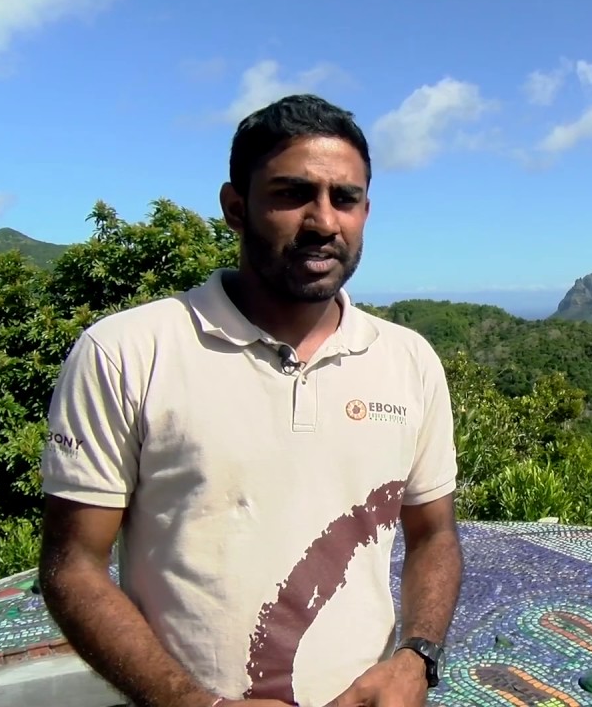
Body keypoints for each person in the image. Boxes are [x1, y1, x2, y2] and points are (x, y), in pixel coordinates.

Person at [36, 94, 463, 707]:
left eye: (344, 199)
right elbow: (73, 565)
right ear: (236, 208)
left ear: (366, 210)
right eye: (292, 194)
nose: (323, 221)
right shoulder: (127, 351)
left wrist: (416, 659)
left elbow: (432, 534)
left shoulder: (408, 360)